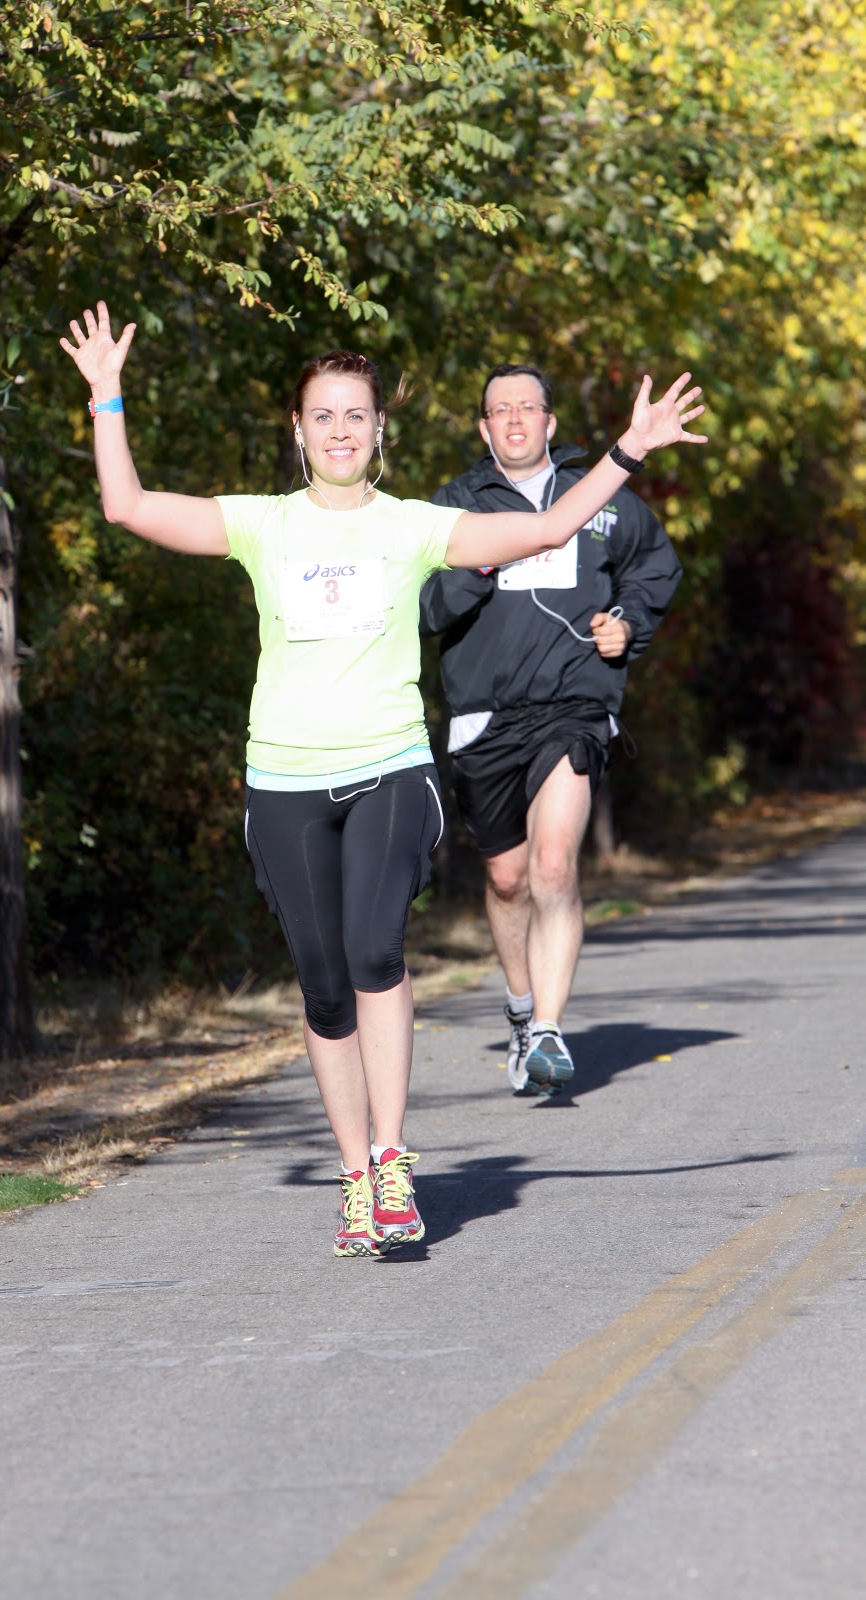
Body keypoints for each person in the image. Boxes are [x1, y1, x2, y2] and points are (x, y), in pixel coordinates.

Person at [60, 304, 705, 1255]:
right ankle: (354, 1169)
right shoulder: (261, 525)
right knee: (323, 987)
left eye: (355, 415)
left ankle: (394, 1163)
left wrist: (626, 450)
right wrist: (106, 396)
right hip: (282, 779)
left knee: (374, 955)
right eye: (322, 415)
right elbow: (128, 507)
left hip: (389, 769)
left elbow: (550, 526)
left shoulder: (415, 526)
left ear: (379, 431)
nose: (339, 430)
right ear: (298, 431)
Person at [419, 363, 684, 1098]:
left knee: (555, 865)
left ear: (548, 423)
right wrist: (484, 559)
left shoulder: (597, 497)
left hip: (573, 705)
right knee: (506, 880)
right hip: (484, 713)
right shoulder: (454, 506)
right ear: (483, 428)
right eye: (498, 410)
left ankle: (548, 1029)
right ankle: (518, 1009)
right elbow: (424, 607)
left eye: (526, 408)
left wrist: (624, 626)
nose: (512, 420)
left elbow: (655, 567)